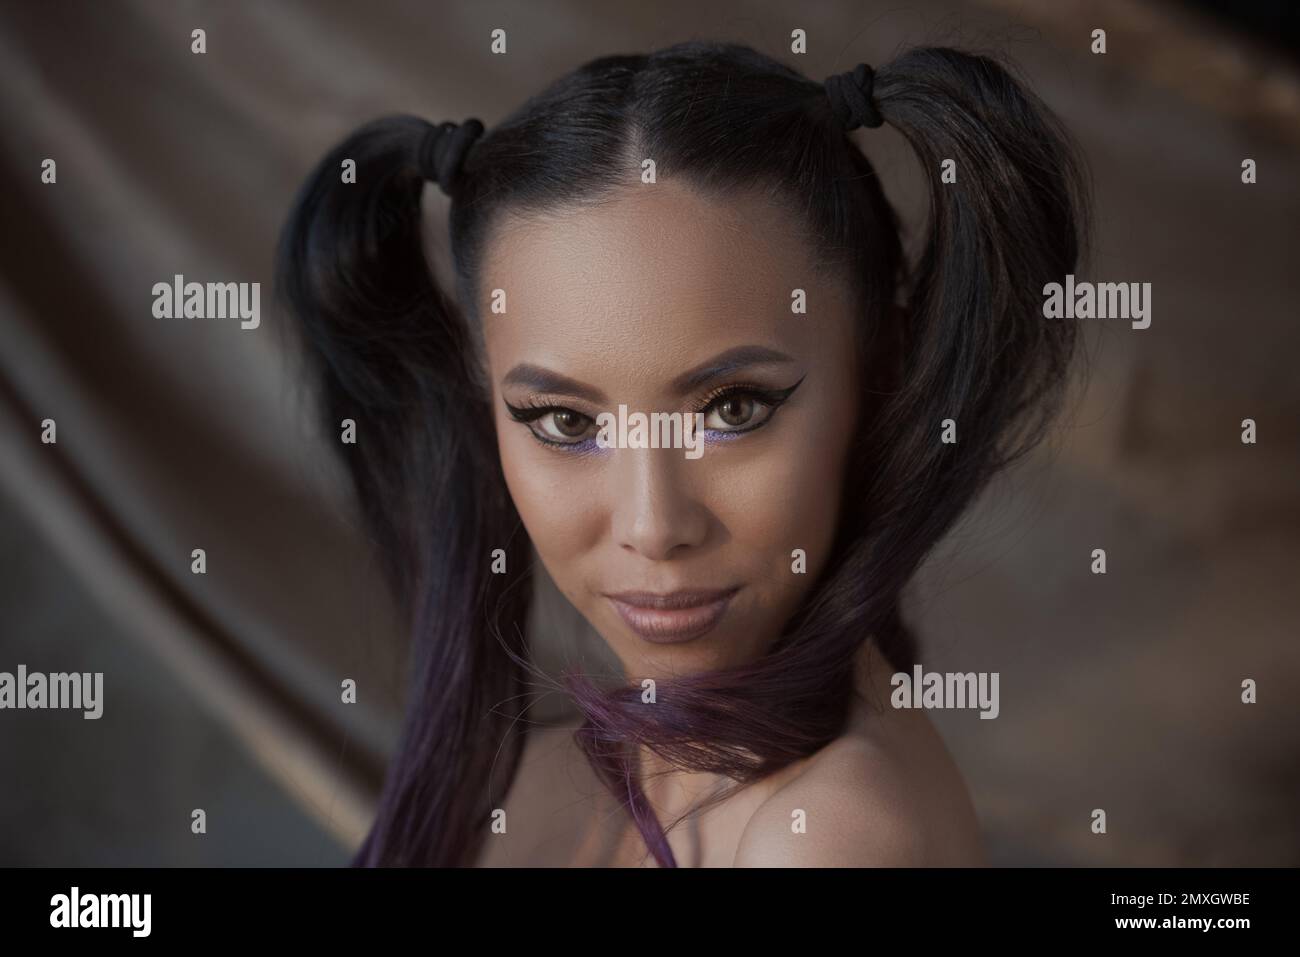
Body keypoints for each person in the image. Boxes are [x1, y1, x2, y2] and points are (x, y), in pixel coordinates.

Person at [275, 40, 1090, 867]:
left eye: (732, 409)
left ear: (881, 374)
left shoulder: (827, 839)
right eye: (563, 422)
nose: (653, 525)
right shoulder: (538, 782)